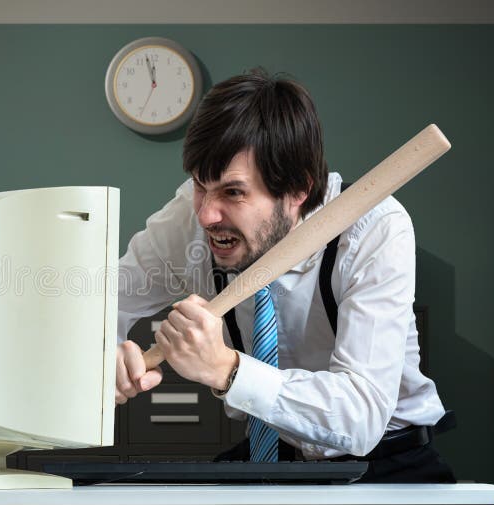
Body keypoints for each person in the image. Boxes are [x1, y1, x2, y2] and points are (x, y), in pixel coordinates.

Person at [115, 68, 455, 483]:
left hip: (385, 458)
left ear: (297, 191)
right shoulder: (190, 219)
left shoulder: (373, 228)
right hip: (274, 451)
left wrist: (227, 369)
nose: (206, 214)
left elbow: (360, 420)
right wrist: (107, 359)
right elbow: (99, 307)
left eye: (234, 192)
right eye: (200, 185)